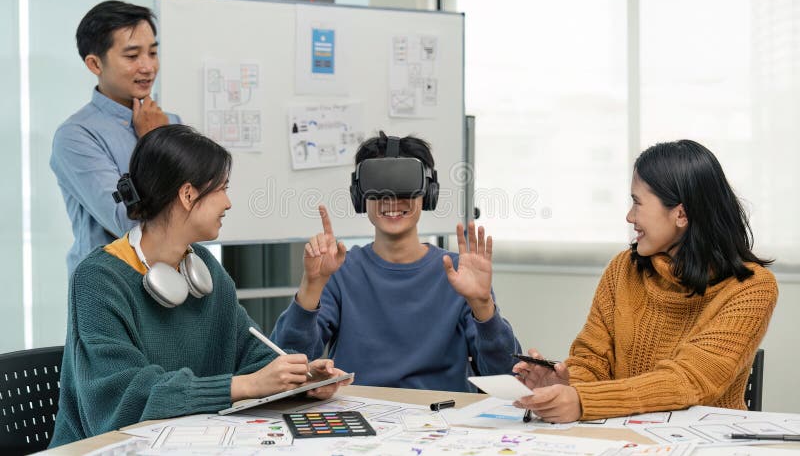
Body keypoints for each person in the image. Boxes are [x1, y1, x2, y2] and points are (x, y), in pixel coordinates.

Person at [50, 125, 350, 447]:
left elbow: (250, 353)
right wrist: (243, 386)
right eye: (222, 189)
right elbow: (124, 397)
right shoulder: (98, 278)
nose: (228, 203)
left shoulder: (202, 267)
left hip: (188, 443)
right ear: (188, 195)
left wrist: (300, 378)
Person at [512, 139, 778, 423]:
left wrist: (583, 400)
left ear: (681, 214)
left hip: (706, 439)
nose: (629, 217)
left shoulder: (752, 288)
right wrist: (565, 384)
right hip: (622, 436)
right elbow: (592, 361)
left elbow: (687, 381)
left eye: (637, 203)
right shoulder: (623, 269)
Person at [271, 131, 521, 392]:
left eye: (405, 185)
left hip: (441, 412)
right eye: (378, 187)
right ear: (360, 196)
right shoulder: (341, 270)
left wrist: (483, 306)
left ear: (428, 193)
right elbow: (285, 365)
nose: (391, 199)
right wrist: (311, 286)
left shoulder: (458, 274)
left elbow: (504, 377)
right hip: (359, 409)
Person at [50, 0, 180, 277]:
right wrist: (155, 141)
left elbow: (200, 210)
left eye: (152, 52)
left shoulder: (171, 121)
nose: (148, 67)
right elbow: (130, 225)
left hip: (177, 280)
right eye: (132, 56)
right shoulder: (76, 136)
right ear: (95, 63)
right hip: (110, 286)